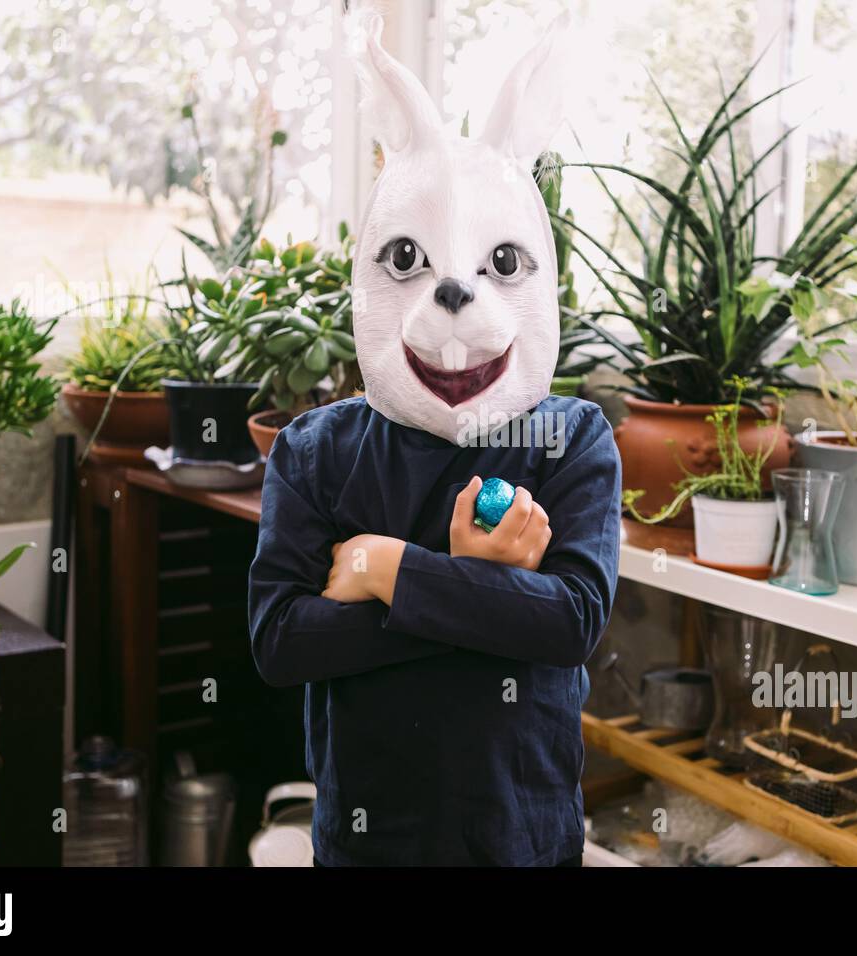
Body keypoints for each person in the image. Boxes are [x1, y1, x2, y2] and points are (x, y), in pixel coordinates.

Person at [247, 16, 621, 867]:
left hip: (522, 836)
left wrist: (384, 569)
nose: (454, 298)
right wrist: (484, 588)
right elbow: (281, 642)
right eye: (409, 258)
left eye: (502, 265)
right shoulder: (314, 450)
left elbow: (571, 623)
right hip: (372, 840)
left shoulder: (570, 437)